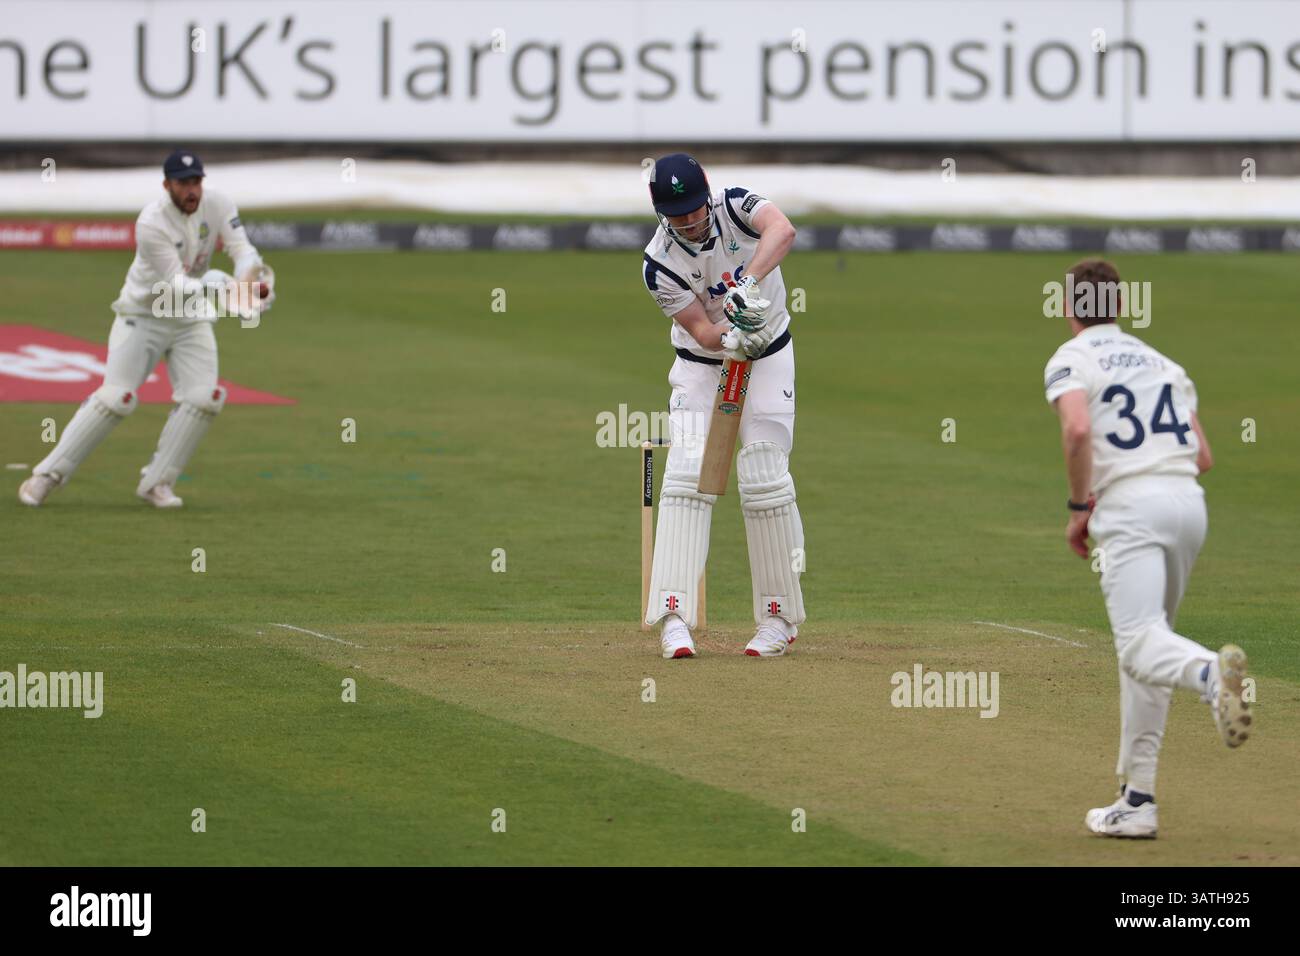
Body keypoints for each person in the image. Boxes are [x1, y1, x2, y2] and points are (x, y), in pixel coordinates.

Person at [1043, 258, 1252, 839]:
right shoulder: (1163, 363)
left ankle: (1211, 674)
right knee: (1150, 645)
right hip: (1188, 502)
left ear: (1068, 309)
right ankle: (1137, 802)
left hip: (1131, 507)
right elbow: (1204, 454)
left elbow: (1078, 430)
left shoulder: (1072, 358)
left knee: (1140, 646)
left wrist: (1079, 509)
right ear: (1119, 306)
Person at [19, 149, 273, 509]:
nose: (192, 191)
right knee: (116, 399)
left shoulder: (218, 204)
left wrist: (252, 279)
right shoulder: (151, 223)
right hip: (143, 314)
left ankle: (157, 483)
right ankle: (46, 476)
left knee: (205, 397)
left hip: (189, 317)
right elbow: (176, 283)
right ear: (166, 184)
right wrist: (219, 283)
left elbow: (242, 249)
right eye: (183, 183)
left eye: (196, 182)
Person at [640, 152, 803, 659]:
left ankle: (777, 620)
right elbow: (704, 332)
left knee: (764, 475)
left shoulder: (734, 206)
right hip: (703, 362)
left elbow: (783, 231)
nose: (689, 221)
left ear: (706, 193)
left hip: (770, 354)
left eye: (693, 208)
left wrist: (746, 286)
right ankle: (673, 617)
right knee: (687, 475)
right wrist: (731, 333)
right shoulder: (659, 263)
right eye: (677, 214)